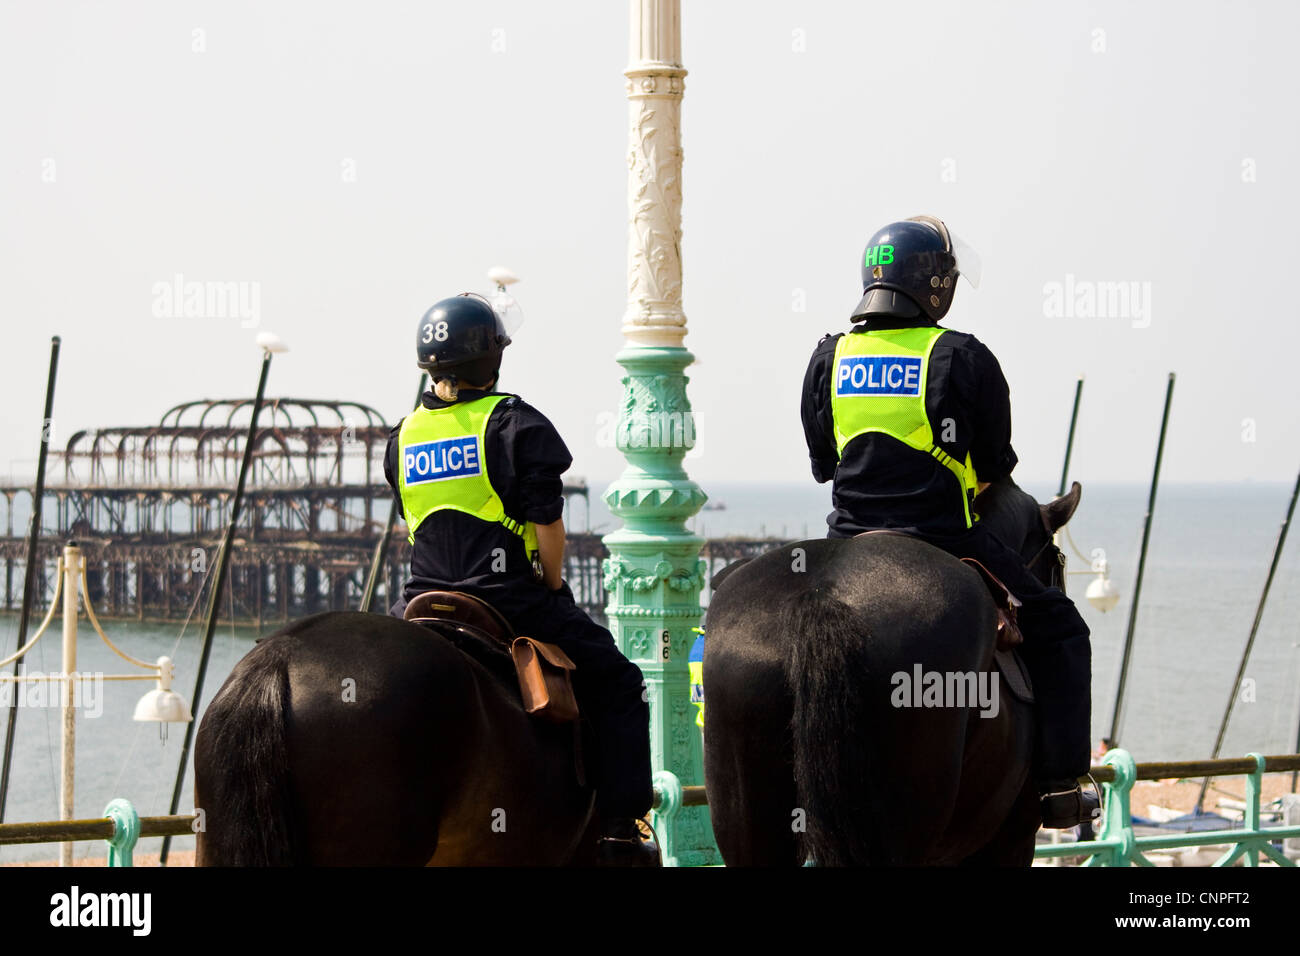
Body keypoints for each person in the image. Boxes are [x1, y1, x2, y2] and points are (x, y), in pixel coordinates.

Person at [799, 216, 1095, 828]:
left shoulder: (828, 357)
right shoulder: (961, 356)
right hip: (945, 535)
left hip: (845, 538)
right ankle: (1062, 786)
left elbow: (826, 466)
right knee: (1063, 627)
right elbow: (993, 470)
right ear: (936, 286)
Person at [383, 292, 657, 864]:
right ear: (491, 360)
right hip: (507, 600)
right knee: (621, 683)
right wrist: (553, 585)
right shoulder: (514, 423)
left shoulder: (402, 437)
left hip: (423, 603)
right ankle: (620, 831)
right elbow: (547, 526)